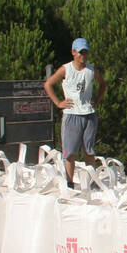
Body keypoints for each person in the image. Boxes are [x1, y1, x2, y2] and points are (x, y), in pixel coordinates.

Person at [45, 37, 106, 183]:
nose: (83, 56)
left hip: (89, 114)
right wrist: (58, 102)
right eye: (80, 52)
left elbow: (103, 84)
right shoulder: (66, 69)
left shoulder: (91, 70)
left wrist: (96, 101)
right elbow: (48, 84)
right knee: (70, 152)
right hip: (72, 114)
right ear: (73, 52)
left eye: (85, 52)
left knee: (89, 151)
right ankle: (70, 183)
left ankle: (92, 182)